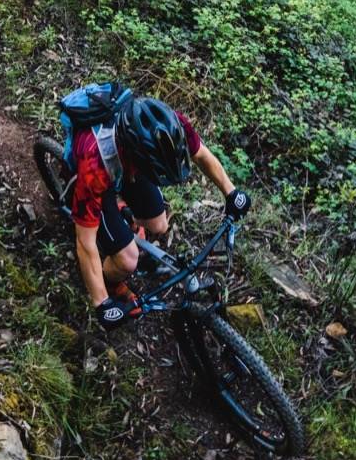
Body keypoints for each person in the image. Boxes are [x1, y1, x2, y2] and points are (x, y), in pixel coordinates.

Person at [63, 89, 251, 330]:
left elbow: (201, 154)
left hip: (131, 165)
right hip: (100, 176)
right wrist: (102, 303)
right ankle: (112, 283)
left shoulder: (169, 125)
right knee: (128, 260)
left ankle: (121, 214)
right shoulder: (95, 165)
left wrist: (231, 192)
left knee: (158, 224)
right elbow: (84, 241)